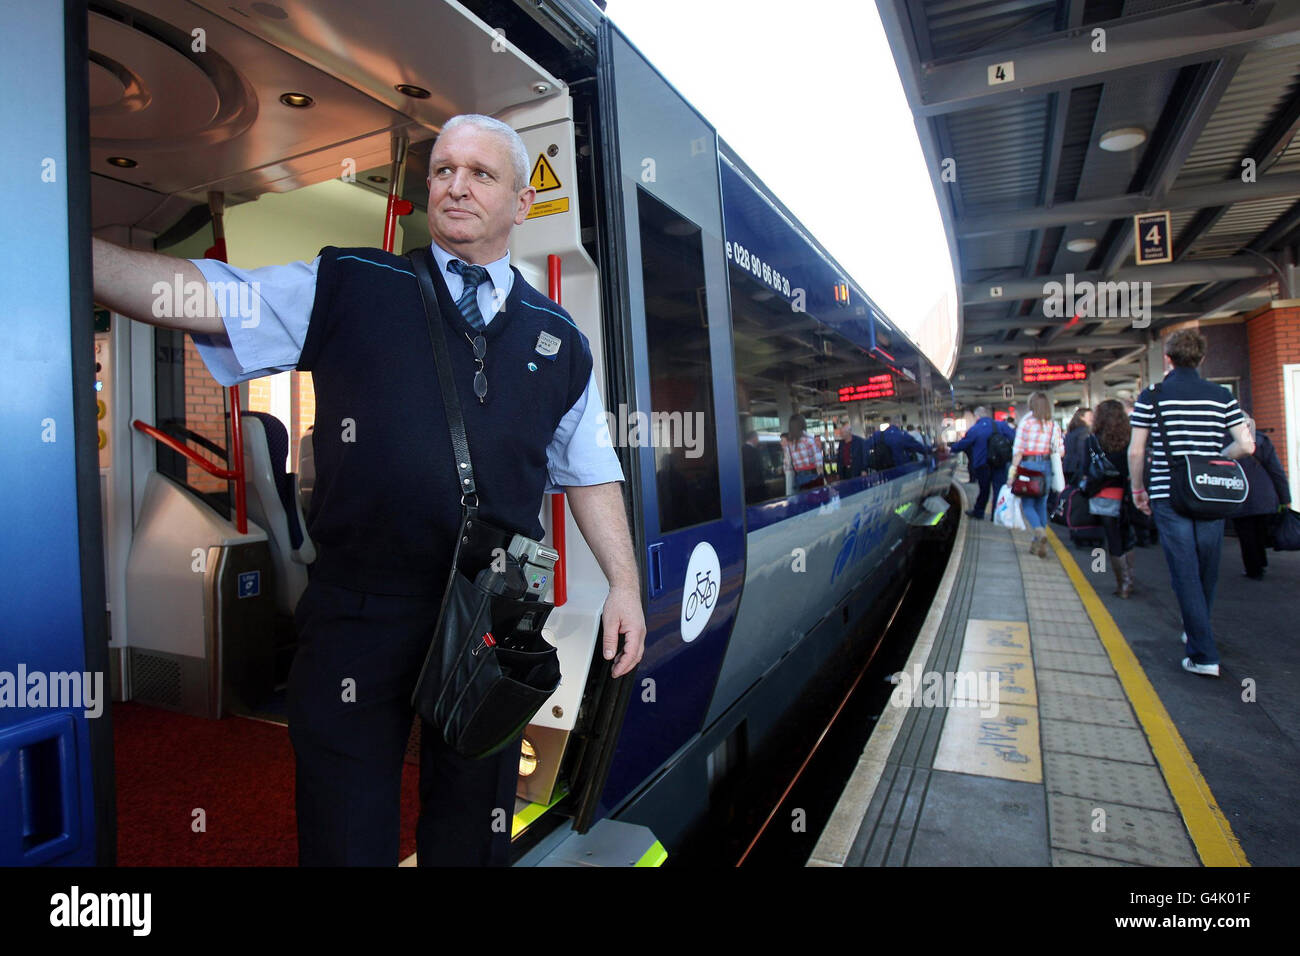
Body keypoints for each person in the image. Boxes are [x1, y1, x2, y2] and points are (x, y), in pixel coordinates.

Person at [91, 114, 647, 865]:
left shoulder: (560, 340)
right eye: (444, 169)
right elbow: (200, 296)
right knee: (346, 831)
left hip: (492, 612)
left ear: (521, 203)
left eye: (481, 174)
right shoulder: (353, 282)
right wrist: (63, 243)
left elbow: (589, 469)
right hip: (360, 610)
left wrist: (623, 583)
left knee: (470, 827)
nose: (456, 184)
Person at [1129, 329, 1254, 678]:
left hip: (1169, 492)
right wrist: (1216, 457)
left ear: (1167, 358)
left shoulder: (1152, 397)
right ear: (1202, 359)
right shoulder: (1221, 396)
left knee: (1184, 569)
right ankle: (1196, 628)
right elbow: (1246, 446)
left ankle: (1203, 655)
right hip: (1210, 491)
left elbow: (1137, 449)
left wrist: (1138, 489)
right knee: (1206, 566)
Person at [1232, 414, 1291, 579]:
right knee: (1259, 530)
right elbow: (1276, 471)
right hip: (1264, 494)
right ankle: (1261, 563)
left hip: (1238, 493)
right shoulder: (1261, 440)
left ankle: (1254, 569)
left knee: (1246, 534)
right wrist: (1285, 498)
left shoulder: (1225, 441)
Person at [1088, 400, 1136, 597]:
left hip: (1103, 493)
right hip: (1127, 493)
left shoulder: (1093, 439)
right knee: (1127, 535)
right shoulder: (1131, 436)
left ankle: (1118, 581)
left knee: (1109, 537)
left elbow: (1087, 468)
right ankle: (1128, 580)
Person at [1009, 391, 1064, 557]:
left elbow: (1018, 451)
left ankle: (1040, 533)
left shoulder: (1026, 424)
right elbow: (1060, 451)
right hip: (1046, 466)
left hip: (1028, 466)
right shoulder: (1054, 426)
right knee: (1041, 504)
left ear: (1031, 405)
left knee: (1027, 505)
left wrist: (1012, 474)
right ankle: (1038, 543)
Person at [950, 406, 1015, 519]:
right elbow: (1014, 436)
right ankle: (996, 515)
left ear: (977, 416)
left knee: (984, 490)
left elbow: (964, 444)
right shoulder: (1000, 425)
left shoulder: (975, 429)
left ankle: (979, 512)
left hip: (982, 464)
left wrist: (951, 448)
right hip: (999, 463)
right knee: (998, 489)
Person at [863, 416, 928, 471]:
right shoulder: (902, 435)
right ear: (899, 424)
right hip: (900, 468)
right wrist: (931, 450)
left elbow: (865, 446)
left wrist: (864, 467)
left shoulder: (878, 435)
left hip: (882, 469)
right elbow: (919, 447)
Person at [787, 414, 823, 489]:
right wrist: (821, 476)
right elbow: (818, 461)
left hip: (799, 477)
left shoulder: (790, 443)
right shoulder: (808, 440)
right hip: (812, 475)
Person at [1062, 407, 1093, 484]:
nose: (1092, 418)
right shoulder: (1085, 431)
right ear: (1081, 417)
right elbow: (1082, 452)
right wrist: (1084, 472)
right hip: (1078, 469)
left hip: (1068, 467)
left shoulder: (1071, 431)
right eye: (1090, 416)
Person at [741, 429, 767, 503]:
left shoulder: (741, 450)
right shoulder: (754, 451)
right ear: (754, 438)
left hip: (747, 486)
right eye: (757, 438)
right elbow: (759, 469)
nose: (758, 440)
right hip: (756, 486)